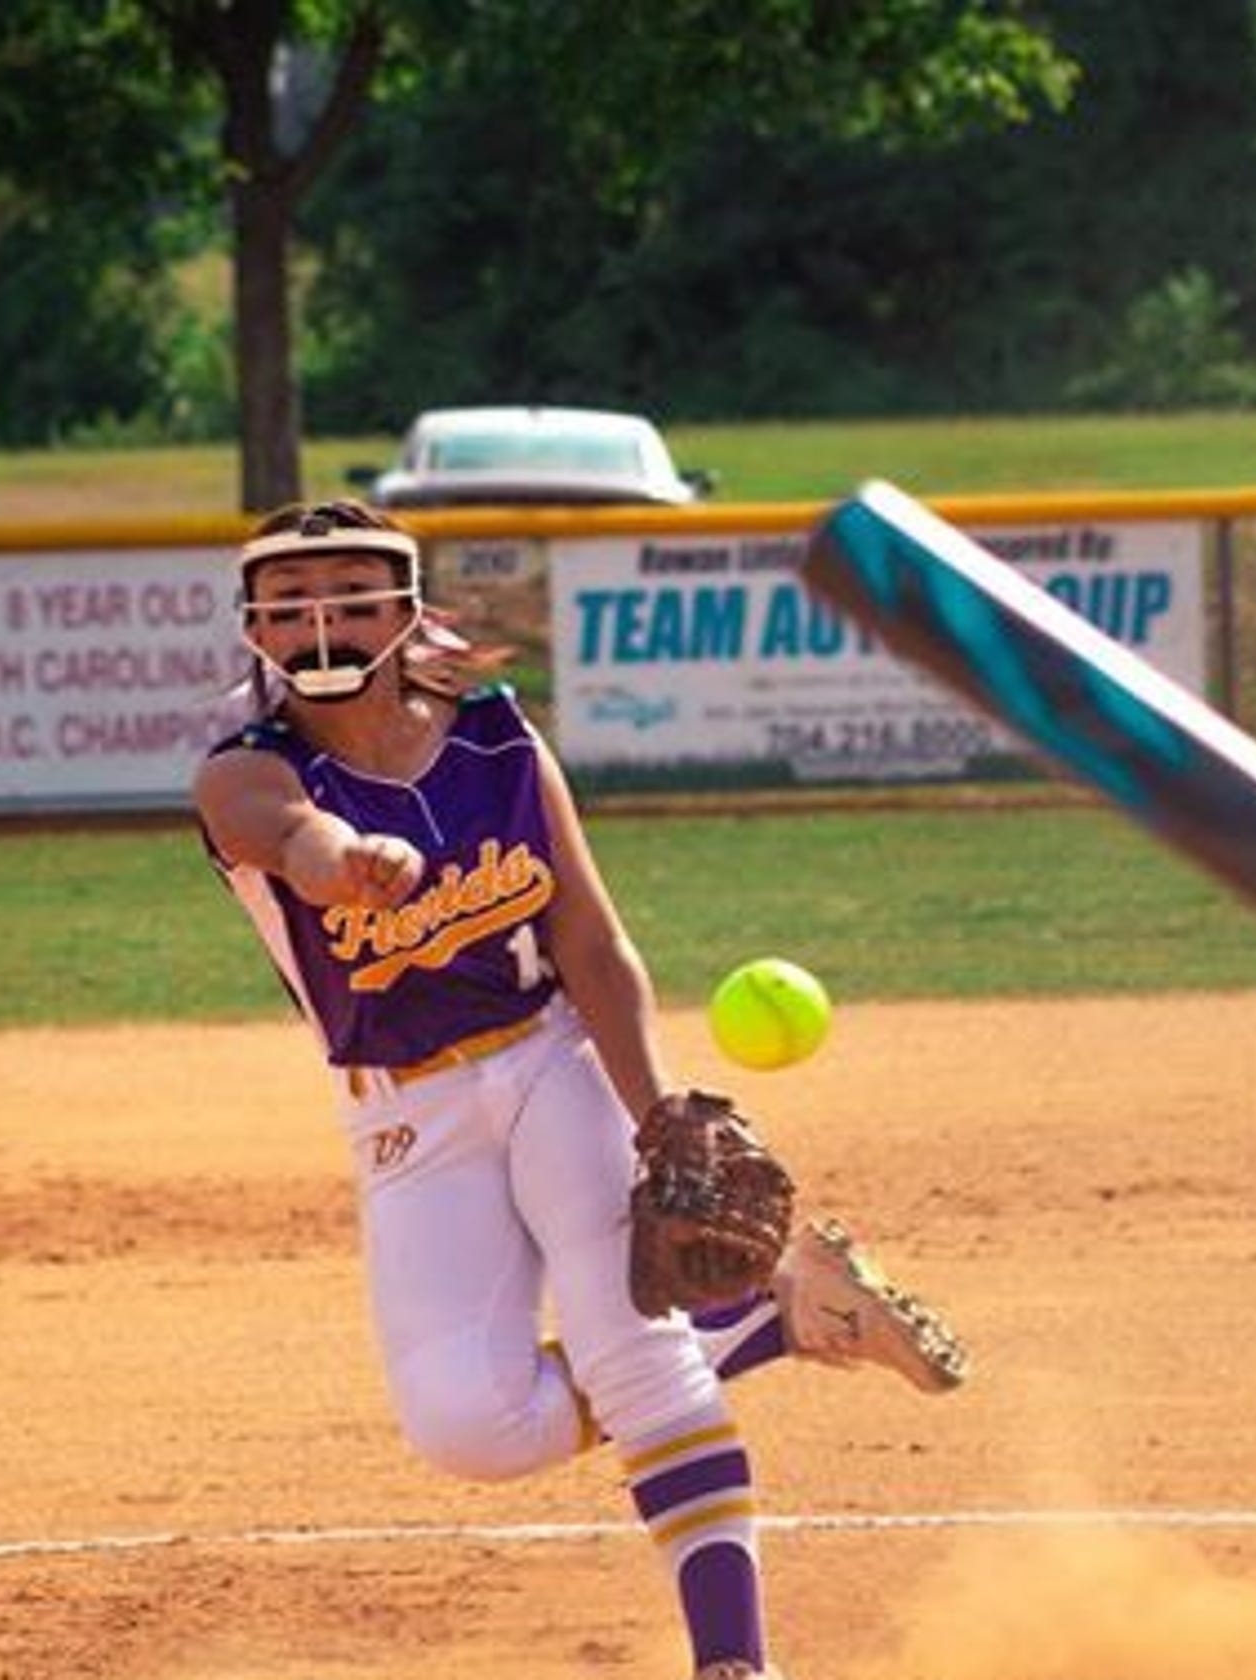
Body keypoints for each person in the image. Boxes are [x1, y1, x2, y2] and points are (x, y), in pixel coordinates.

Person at [191, 499, 969, 1680]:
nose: (323, 623)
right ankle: (769, 1319)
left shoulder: (497, 738)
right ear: (254, 626)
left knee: (635, 1356)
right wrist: (337, 861)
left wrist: (655, 1111)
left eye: (352, 594)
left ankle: (733, 1663)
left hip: (552, 1058)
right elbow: (280, 834)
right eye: (292, 603)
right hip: (406, 1112)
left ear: (403, 610)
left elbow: (594, 947)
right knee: (470, 1427)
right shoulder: (244, 771)